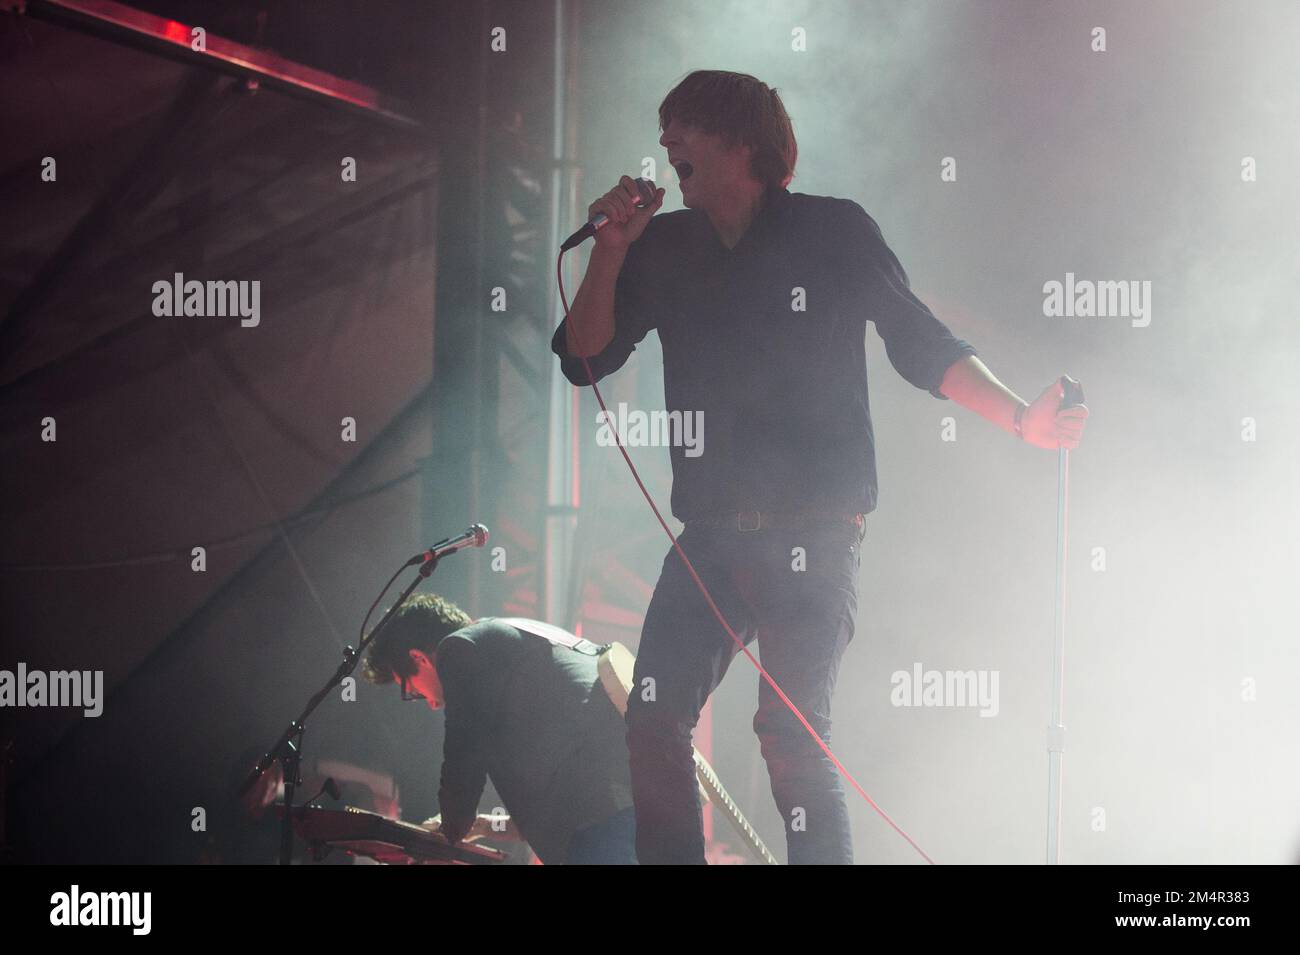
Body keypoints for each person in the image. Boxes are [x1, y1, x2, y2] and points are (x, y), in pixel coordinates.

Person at [551, 70, 1088, 864]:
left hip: (817, 535)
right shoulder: (663, 247)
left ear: (742, 141)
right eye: (663, 129)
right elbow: (584, 356)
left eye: (685, 127)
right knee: (654, 717)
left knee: (792, 737)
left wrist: (1020, 418)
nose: (666, 144)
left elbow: (920, 342)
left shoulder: (833, 231)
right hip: (711, 538)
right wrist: (610, 251)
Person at [362, 594, 637, 864]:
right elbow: (562, 798)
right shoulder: (522, 640)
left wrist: (446, 838)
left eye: (414, 691)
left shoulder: (457, 648)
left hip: (604, 823)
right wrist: (483, 825)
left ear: (419, 658)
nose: (432, 704)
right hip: (628, 811)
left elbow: (464, 753)